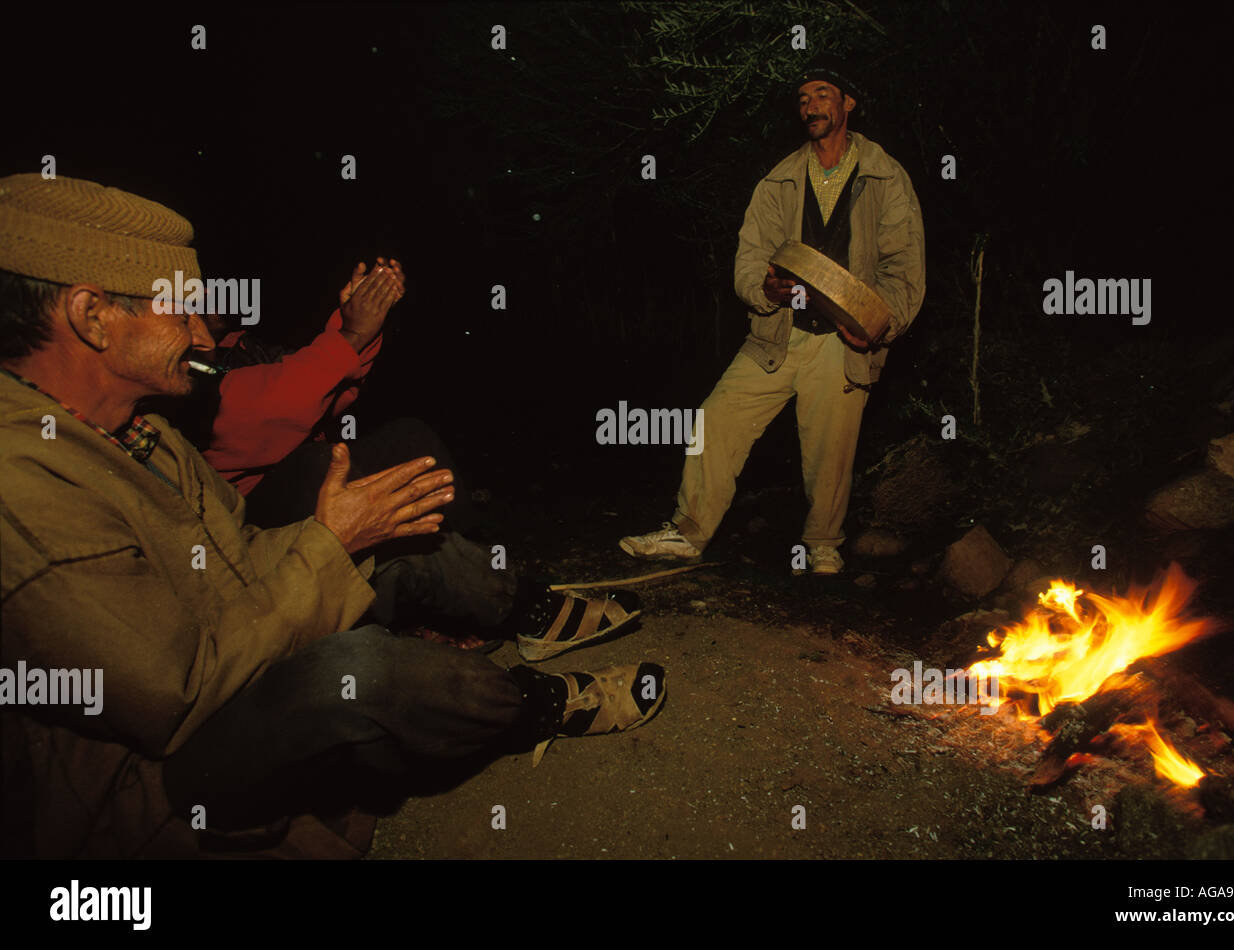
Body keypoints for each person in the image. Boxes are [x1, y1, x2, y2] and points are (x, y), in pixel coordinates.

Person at [0, 173, 665, 859]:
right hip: (140, 786)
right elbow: (178, 692)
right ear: (92, 316)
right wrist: (327, 544)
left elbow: (245, 550)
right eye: (179, 310)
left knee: (400, 542)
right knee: (356, 670)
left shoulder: (140, 432)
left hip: (229, 658)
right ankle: (532, 708)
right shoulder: (22, 479)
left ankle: (533, 617)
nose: (202, 332)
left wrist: (347, 534)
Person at [175, 257, 642, 657]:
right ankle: (511, 605)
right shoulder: (171, 376)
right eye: (185, 312)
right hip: (242, 529)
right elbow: (258, 415)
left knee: (409, 440)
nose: (200, 326)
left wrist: (352, 327)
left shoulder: (237, 348)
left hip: (285, 495)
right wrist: (350, 336)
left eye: (206, 307)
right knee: (325, 469)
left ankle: (473, 586)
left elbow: (323, 395)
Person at [620, 55, 925, 575]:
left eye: (823, 95)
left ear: (848, 104)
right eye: (803, 99)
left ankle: (823, 542)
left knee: (830, 451)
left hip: (843, 340)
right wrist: (764, 287)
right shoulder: (778, 181)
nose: (811, 106)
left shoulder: (885, 176)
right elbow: (748, 259)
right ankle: (687, 532)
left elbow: (904, 266)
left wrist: (877, 327)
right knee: (715, 419)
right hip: (775, 336)